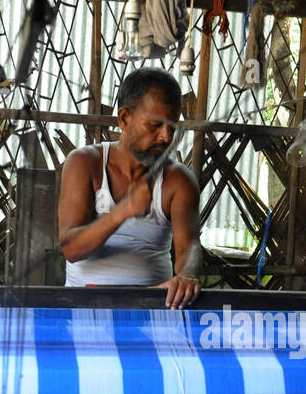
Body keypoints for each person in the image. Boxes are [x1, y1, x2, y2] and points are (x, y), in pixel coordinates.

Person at [58, 68, 202, 309]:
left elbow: (190, 246)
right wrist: (122, 212)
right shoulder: (85, 163)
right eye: (154, 125)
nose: (166, 137)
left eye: (172, 127)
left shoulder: (178, 180)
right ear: (124, 118)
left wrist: (186, 274)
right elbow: (71, 249)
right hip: (85, 307)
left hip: (154, 306)